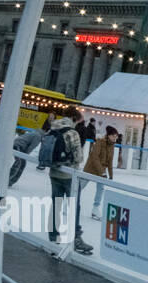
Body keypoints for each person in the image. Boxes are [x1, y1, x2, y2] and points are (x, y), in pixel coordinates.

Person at [45, 108, 91, 255]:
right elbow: (79, 158)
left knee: (56, 205)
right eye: (77, 121)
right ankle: (76, 238)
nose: (77, 124)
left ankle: (53, 236)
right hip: (69, 176)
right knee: (74, 207)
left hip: (53, 173)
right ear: (73, 118)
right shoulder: (72, 133)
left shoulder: (53, 127)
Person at [82, 126, 118, 220]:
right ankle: (67, 204)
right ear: (109, 135)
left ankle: (95, 209)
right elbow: (94, 158)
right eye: (114, 136)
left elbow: (110, 161)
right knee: (79, 187)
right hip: (91, 169)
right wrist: (102, 172)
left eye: (116, 137)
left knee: (100, 189)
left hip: (101, 171)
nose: (115, 138)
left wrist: (111, 175)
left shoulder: (112, 146)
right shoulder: (99, 142)